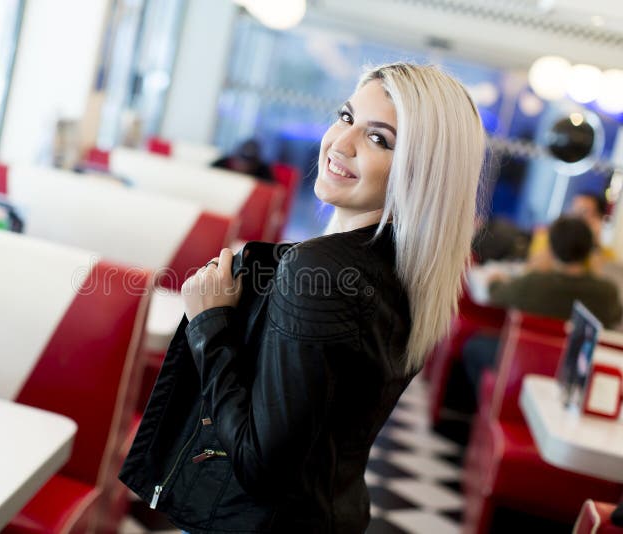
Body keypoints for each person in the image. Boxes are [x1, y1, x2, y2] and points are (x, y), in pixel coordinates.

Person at [120, 63, 485, 533]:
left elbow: (258, 466)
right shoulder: (410, 273)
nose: (341, 142)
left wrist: (209, 322)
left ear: (421, 172)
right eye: (346, 116)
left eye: (379, 139)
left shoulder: (322, 271)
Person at [463, 216, 623, 393]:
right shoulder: (608, 292)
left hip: (525, 366)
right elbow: (615, 317)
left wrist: (529, 269)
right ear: (589, 250)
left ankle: (491, 399)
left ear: (551, 247)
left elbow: (494, 292)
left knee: (474, 347)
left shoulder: (534, 282)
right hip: (577, 376)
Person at [528, 192, 615, 273]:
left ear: (598, 219)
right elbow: (532, 271)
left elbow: (602, 283)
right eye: (574, 210)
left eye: (583, 212)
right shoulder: (545, 238)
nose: (575, 216)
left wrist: (595, 243)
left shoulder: (606, 255)